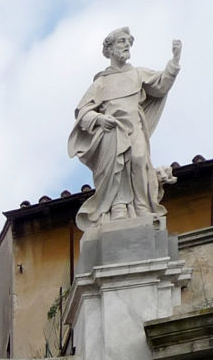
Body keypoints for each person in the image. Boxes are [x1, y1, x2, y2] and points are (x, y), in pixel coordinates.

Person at [69, 29, 181, 229]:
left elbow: (161, 85)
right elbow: (83, 112)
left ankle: (142, 206)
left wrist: (174, 60)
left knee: (139, 160)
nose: (126, 45)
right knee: (115, 169)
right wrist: (99, 119)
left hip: (134, 126)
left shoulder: (138, 73)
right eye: (121, 42)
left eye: (128, 42)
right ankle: (119, 206)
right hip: (112, 131)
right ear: (110, 49)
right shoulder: (101, 82)